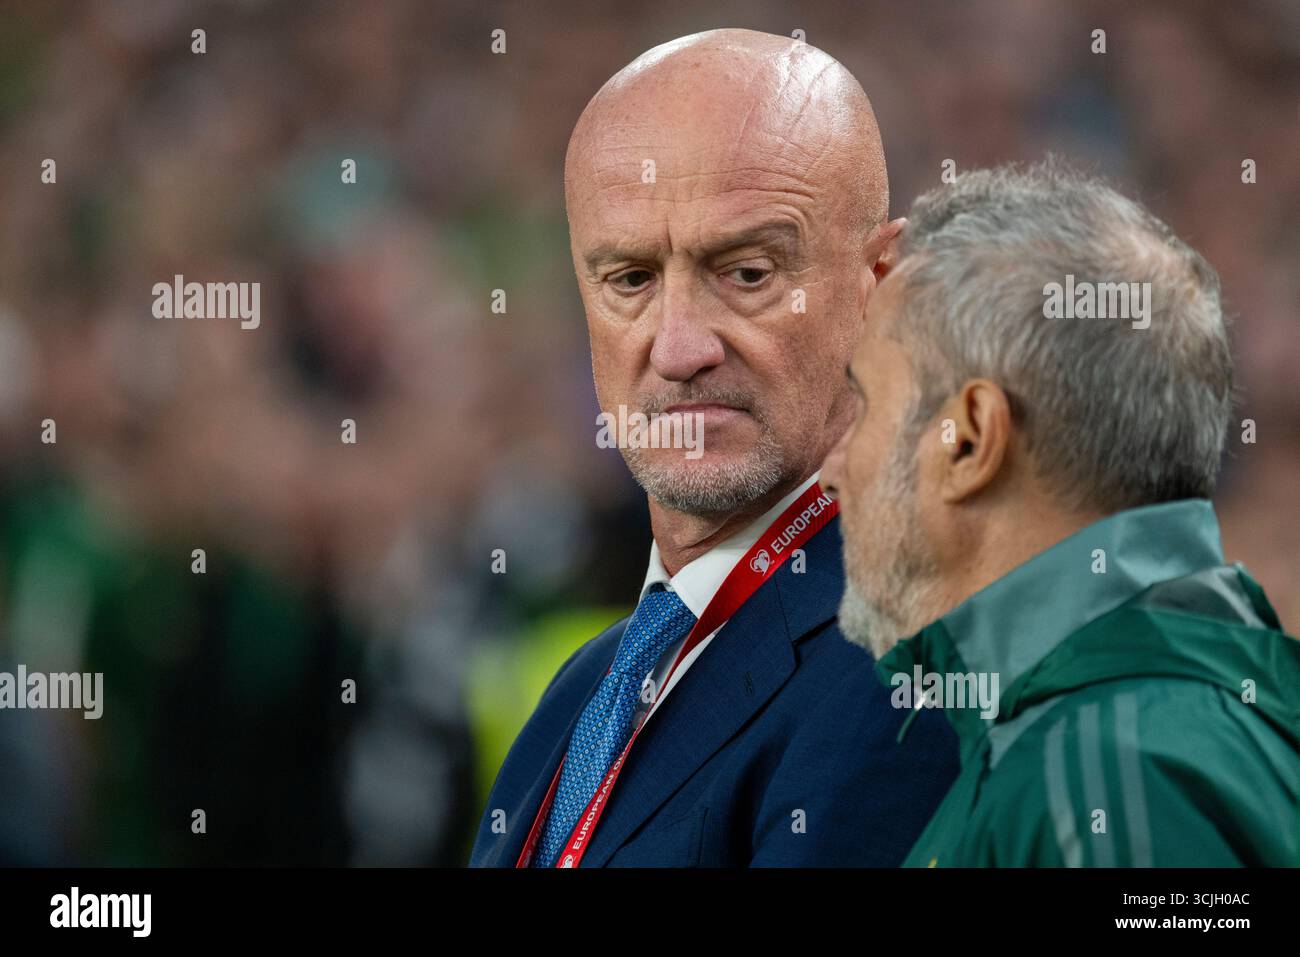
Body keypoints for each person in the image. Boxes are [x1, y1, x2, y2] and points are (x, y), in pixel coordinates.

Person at [470, 29, 958, 867]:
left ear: (885, 285)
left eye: (746, 272)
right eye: (630, 279)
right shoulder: (580, 694)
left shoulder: (910, 669)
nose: (679, 346)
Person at [822, 159, 1300, 866]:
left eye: (862, 402)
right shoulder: (1145, 735)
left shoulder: (1106, 776)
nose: (832, 468)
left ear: (970, 440)